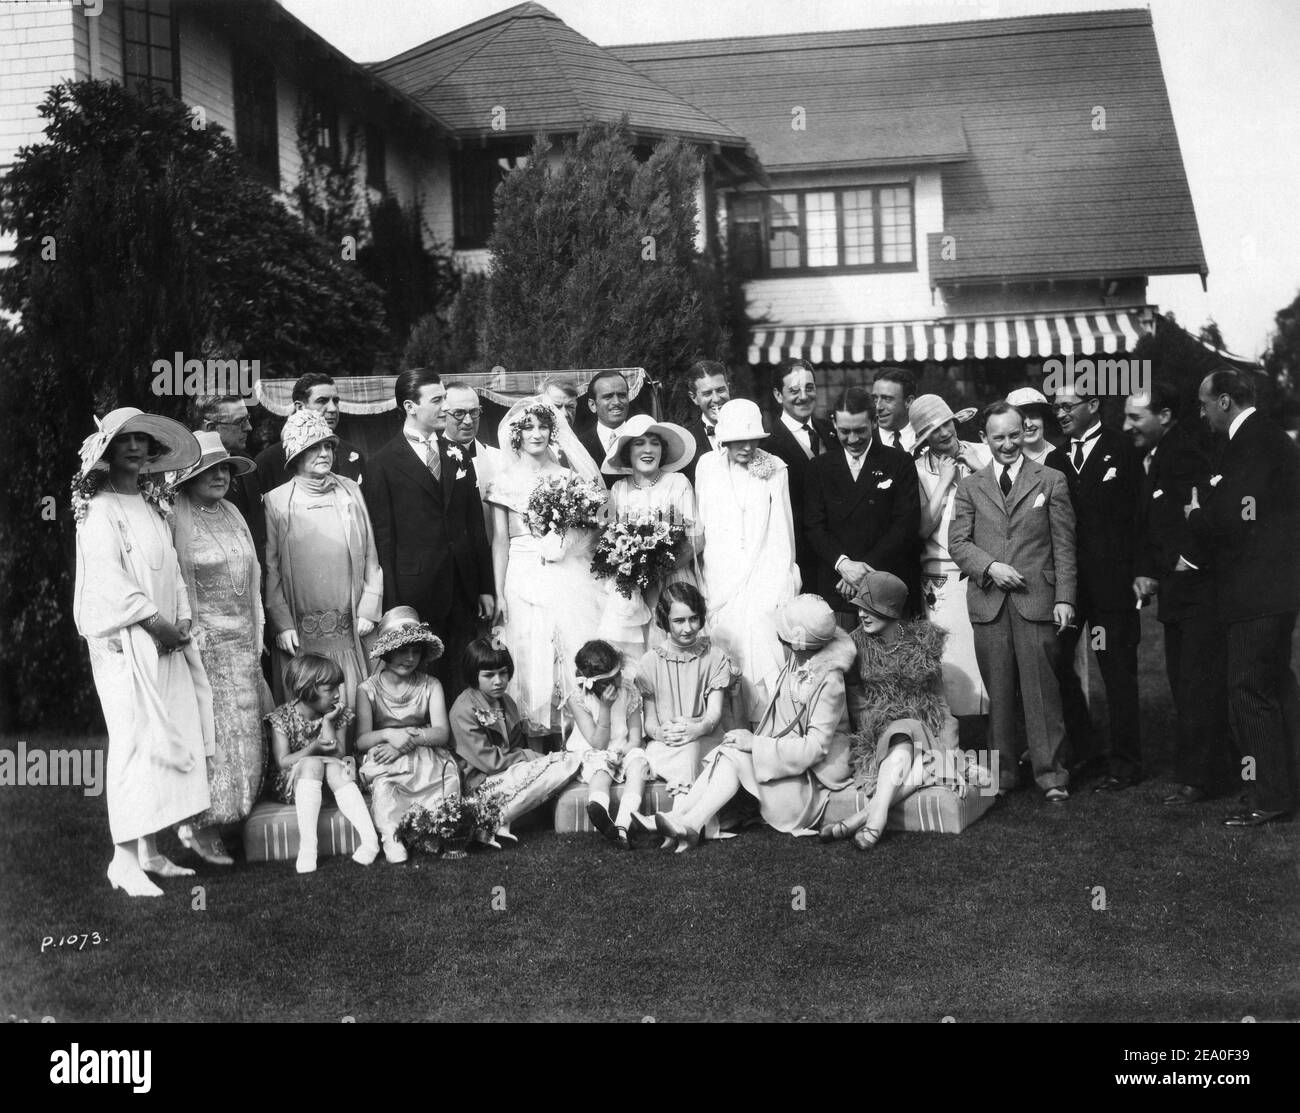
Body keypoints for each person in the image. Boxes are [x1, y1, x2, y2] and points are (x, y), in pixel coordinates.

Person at [73, 408, 210, 897]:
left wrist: (184, 618)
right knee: (132, 742)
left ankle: (151, 850)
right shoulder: (98, 509)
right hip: (124, 641)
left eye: (142, 440)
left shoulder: (153, 506)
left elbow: (170, 568)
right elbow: (107, 579)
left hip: (165, 640)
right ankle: (123, 861)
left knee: (161, 738)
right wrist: (154, 622)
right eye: (124, 441)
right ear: (108, 451)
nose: (134, 448)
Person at [1185, 370, 1300, 827]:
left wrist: (1197, 516)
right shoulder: (1268, 437)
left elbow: (1235, 514)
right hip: (1276, 589)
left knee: (1249, 691)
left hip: (1257, 592)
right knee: (1276, 689)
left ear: (1225, 401)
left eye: (1204, 403)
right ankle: (1283, 786)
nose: (1202, 412)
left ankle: (1269, 797)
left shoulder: (1250, 441)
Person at [653, 595, 855, 850]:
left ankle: (687, 822)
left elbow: (815, 748)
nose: (778, 636)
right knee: (728, 751)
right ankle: (684, 819)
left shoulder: (829, 681)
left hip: (808, 779)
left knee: (735, 755)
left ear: (797, 642)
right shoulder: (800, 657)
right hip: (785, 759)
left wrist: (756, 744)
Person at [949, 402, 1077, 802]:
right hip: (990, 603)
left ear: (1025, 432)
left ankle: (1052, 776)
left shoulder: (1051, 479)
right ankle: (1003, 774)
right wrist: (990, 568)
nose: (1007, 444)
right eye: (998, 437)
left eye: (1013, 435)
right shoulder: (970, 486)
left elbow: (1065, 545)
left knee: (1042, 693)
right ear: (984, 439)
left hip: (1036, 600)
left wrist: (1065, 599)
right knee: (999, 694)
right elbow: (957, 542)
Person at [821, 572, 989, 849]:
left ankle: (866, 818)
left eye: (869, 608)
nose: (861, 615)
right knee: (903, 734)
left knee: (911, 731)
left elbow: (940, 705)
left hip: (925, 730)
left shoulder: (923, 645)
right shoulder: (852, 646)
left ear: (891, 610)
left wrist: (949, 753)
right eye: (860, 607)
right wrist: (889, 725)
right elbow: (859, 708)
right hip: (878, 734)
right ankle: (872, 823)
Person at [1124, 383, 1228, 806]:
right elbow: (1160, 523)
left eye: (1135, 417)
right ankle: (1205, 772)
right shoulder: (1159, 457)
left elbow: (1208, 513)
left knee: (1197, 685)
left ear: (1164, 416)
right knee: (1186, 683)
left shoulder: (1182, 454)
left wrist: (1189, 561)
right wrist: (1151, 571)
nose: (1126, 425)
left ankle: (1200, 779)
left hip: (1200, 595)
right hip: (1180, 594)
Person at [364, 369, 495, 701]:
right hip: (416, 590)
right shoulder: (381, 463)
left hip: (463, 587)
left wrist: (484, 587)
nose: (444, 409)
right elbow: (384, 537)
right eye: (437, 401)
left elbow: (475, 525)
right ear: (410, 406)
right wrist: (394, 603)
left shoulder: (457, 453)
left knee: (465, 671)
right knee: (426, 676)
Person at [484, 396, 607, 737]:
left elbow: (587, 531)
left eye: (543, 427)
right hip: (521, 571)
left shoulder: (568, 477)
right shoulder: (503, 480)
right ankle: (533, 739)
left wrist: (563, 545)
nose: (536, 434)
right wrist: (499, 591)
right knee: (528, 647)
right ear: (517, 435)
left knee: (566, 643)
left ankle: (576, 736)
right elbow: (499, 540)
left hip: (563, 569)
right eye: (528, 427)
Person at [172, 430, 269, 866]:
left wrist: (257, 632)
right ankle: (199, 825)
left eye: (225, 467)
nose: (220, 475)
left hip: (242, 641)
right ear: (189, 474)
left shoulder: (233, 512)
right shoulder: (175, 514)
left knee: (243, 733)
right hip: (202, 643)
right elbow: (172, 583)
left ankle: (233, 819)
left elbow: (253, 579)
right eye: (209, 468)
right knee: (211, 736)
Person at [1046, 386, 1144, 791]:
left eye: (1068, 406)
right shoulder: (1055, 458)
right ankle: (1087, 747)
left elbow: (1142, 515)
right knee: (1055, 661)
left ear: (1092, 406)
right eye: (1057, 407)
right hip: (1070, 587)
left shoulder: (1123, 449)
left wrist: (1142, 570)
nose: (1061, 413)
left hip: (1113, 588)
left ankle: (1127, 761)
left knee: (1116, 671)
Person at [264, 410, 382, 708]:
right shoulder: (276, 500)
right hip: (302, 625)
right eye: (314, 447)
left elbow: (370, 551)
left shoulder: (350, 490)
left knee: (354, 700)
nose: (324, 453)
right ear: (296, 454)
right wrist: (282, 623)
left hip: (350, 618)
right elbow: (271, 567)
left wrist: (370, 606)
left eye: (328, 446)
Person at [695, 398, 799, 725]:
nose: (747, 446)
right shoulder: (706, 466)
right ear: (723, 438)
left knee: (763, 639)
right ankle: (729, 727)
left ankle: (770, 726)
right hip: (720, 574)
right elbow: (702, 524)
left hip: (763, 573)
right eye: (739, 439)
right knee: (726, 646)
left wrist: (780, 584)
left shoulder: (774, 468)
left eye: (753, 438)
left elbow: (782, 532)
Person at [803, 386, 920, 630]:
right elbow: (813, 526)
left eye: (860, 431)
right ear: (833, 423)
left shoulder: (899, 462)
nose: (853, 439)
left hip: (885, 585)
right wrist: (844, 565)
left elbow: (905, 526)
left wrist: (861, 572)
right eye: (845, 431)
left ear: (875, 422)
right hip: (838, 589)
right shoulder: (819, 468)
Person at [450, 638, 582, 845]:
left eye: (503, 673)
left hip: (508, 773)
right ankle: (494, 818)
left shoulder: (507, 702)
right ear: (473, 675)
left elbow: (516, 744)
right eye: (489, 675)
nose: (498, 681)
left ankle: (501, 818)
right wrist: (528, 757)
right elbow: (490, 763)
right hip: (481, 783)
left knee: (565, 763)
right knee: (559, 765)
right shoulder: (464, 709)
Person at [355, 607, 458, 864]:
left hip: (424, 752)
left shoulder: (430, 685)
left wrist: (406, 741)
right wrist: (390, 734)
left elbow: (442, 733)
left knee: (445, 779)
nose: (410, 658)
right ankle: (392, 837)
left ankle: (431, 831)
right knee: (386, 787)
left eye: (415, 651)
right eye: (403, 650)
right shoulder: (367, 689)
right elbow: (361, 740)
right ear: (388, 651)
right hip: (386, 754)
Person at [909, 394, 989, 716]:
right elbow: (922, 528)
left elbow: (1008, 508)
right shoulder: (917, 469)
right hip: (940, 576)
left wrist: (980, 470)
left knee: (987, 663)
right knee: (950, 663)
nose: (944, 433)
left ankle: (995, 749)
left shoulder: (981, 453)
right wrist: (942, 483)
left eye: (946, 424)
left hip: (983, 569)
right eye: (933, 430)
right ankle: (953, 748)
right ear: (924, 439)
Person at [266, 653, 380, 873]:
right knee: (311, 764)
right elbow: (282, 762)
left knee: (337, 766)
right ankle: (308, 847)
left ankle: (370, 840)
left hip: (336, 777)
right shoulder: (282, 717)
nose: (337, 695)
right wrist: (314, 749)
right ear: (306, 690)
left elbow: (339, 755)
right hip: (296, 783)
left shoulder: (339, 714)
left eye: (338, 687)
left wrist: (328, 721)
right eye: (330, 690)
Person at [597, 414, 700, 657]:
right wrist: (630, 570)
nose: (648, 449)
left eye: (654, 442)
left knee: (673, 647)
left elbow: (697, 539)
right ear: (627, 452)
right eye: (639, 443)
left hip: (673, 580)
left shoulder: (677, 483)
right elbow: (607, 541)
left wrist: (656, 572)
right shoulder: (618, 489)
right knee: (635, 656)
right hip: (632, 589)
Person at [633, 583, 734, 793]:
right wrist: (661, 734)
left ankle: (681, 815)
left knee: (691, 751)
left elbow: (713, 715)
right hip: (666, 744)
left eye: (693, 619)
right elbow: (650, 722)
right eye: (679, 621)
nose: (687, 628)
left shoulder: (715, 657)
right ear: (665, 620)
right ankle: (686, 819)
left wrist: (696, 729)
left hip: (705, 736)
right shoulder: (649, 661)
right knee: (684, 753)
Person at [565, 639, 648, 847]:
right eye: (613, 678)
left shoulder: (629, 691)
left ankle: (622, 826)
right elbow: (598, 744)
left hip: (625, 748)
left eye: (619, 673)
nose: (620, 679)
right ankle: (598, 808)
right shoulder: (578, 698)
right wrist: (605, 708)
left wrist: (622, 753)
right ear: (597, 683)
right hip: (594, 751)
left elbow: (636, 738)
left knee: (638, 765)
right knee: (601, 770)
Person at [763, 359, 838, 592]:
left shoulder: (832, 432)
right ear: (778, 395)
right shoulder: (767, 444)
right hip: (799, 562)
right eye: (794, 390)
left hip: (839, 559)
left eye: (809, 387)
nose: (803, 396)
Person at [254, 372, 365, 493]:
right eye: (322, 401)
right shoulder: (269, 461)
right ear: (300, 408)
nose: (333, 409)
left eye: (336, 401)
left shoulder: (354, 455)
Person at [189, 394, 264, 564]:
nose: (249, 427)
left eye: (248, 419)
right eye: (240, 421)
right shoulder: (188, 473)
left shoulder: (247, 464)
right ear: (211, 427)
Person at [441, 381, 501, 528]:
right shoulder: (433, 460)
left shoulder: (498, 458)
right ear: (443, 414)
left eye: (474, 412)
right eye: (459, 413)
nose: (468, 421)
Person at [680, 360, 730, 487]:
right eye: (707, 393)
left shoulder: (751, 431)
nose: (716, 398)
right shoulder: (686, 445)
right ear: (694, 398)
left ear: (728, 388)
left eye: (720, 390)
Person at [578, 370, 630, 486]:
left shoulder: (644, 438)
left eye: (622, 395)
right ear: (592, 405)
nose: (616, 402)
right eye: (608, 397)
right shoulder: (579, 445)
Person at [871, 368, 918, 454]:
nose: (878, 407)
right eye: (875, 399)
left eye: (887, 399)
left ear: (908, 401)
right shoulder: (866, 442)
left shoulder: (928, 437)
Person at [1007, 387, 1056, 464]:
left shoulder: (1059, 459)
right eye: (1021, 417)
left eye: (1033, 416)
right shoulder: (1000, 457)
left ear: (1043, 419)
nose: (1029, 424)